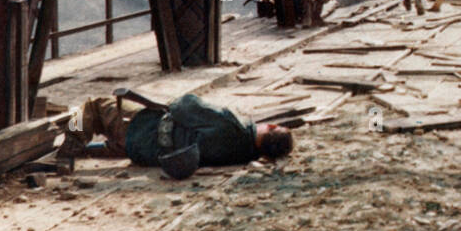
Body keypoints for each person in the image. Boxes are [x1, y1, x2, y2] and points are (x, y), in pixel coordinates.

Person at [58, 91, 293, 174]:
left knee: (91, 105)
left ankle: (73, 142)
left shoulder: (233, 125)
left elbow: (186, 105)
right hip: (144, 153)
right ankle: (88, 149)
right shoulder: (244, 154)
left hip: (143, 130)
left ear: (270, 127)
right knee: (110, 124)